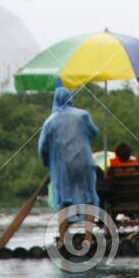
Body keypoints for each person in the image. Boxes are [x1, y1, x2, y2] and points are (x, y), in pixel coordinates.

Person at [38, 86, 99, 246]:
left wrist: (47, 163)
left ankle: (63, 238)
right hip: (84, 162)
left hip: (62, 166)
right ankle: (88, 237)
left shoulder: (50, 121)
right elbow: (94, 132)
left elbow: (42, 147)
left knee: (64, 200)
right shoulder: (83, 115)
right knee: (89, 198)